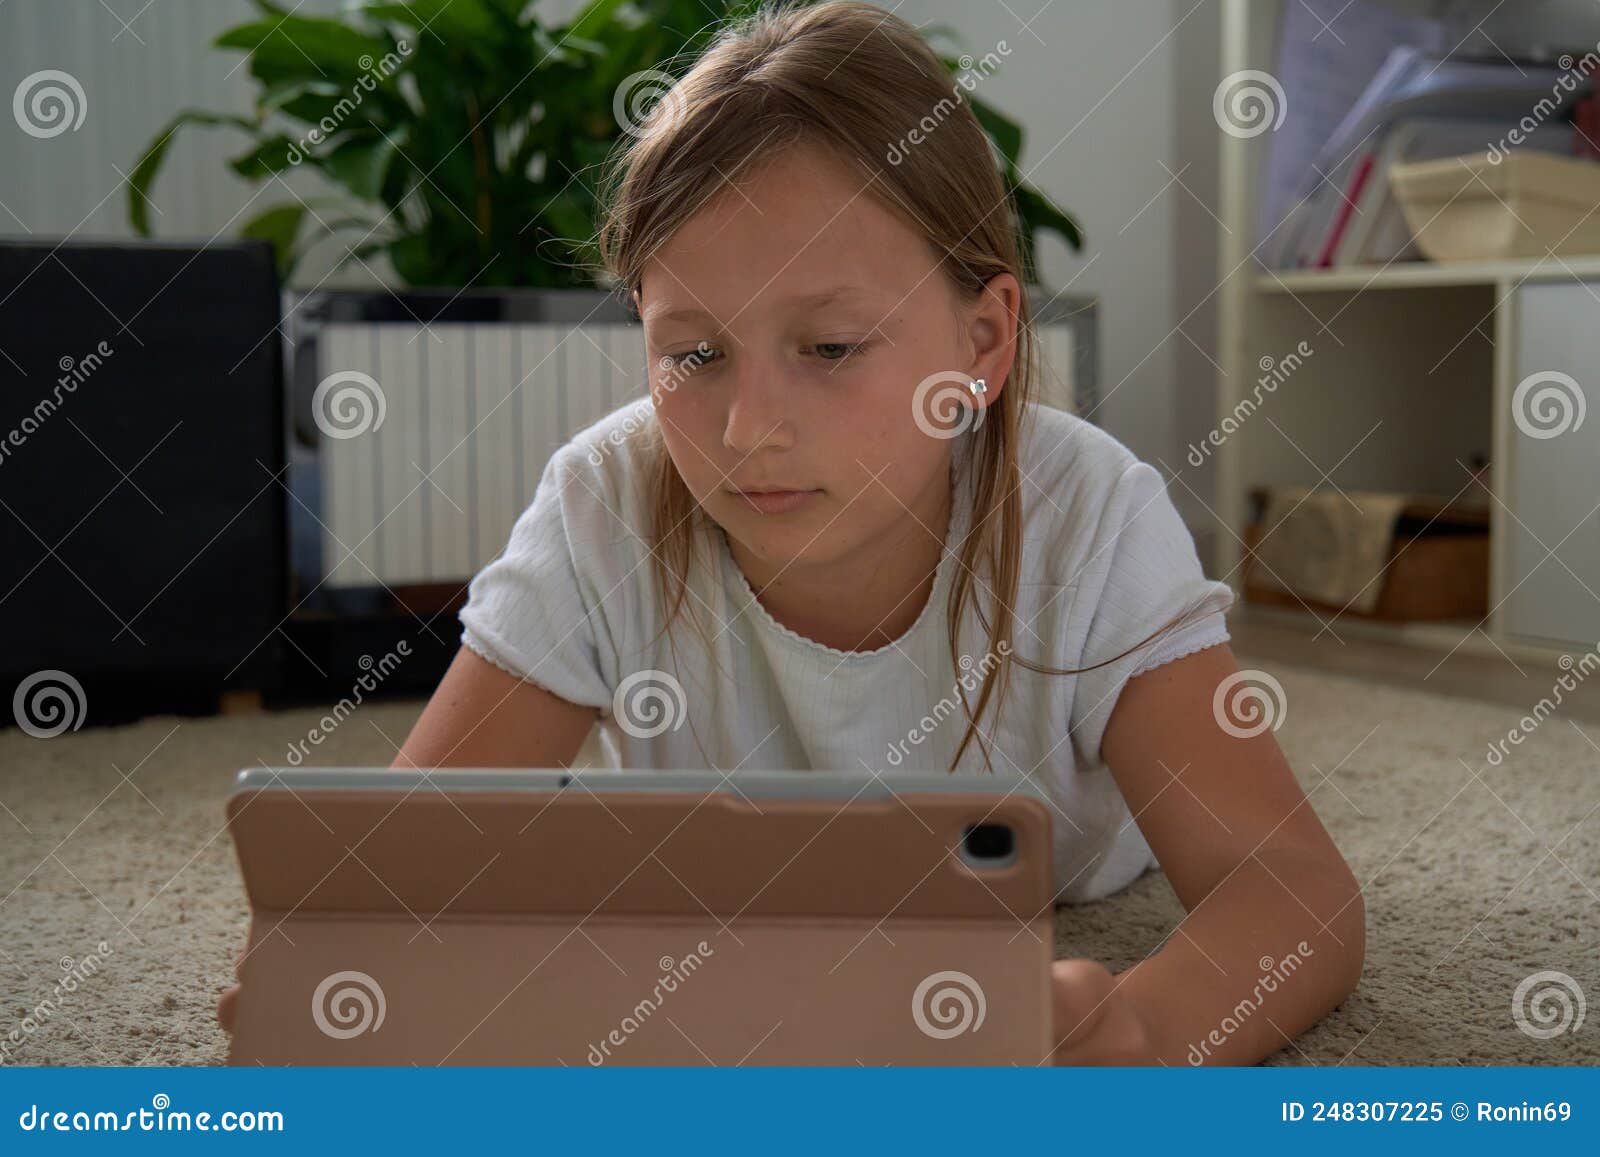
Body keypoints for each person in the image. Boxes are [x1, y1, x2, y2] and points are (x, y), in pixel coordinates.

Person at [219, 0, 1363, 1065]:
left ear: (982, 342)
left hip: (1071, 882)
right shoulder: (604, 500)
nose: (748, 428)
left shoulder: (1089, 513)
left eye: (827, 348)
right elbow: (401, 864)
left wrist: (1130, 1030)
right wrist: (345, 965)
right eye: (693, 354)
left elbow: (1292, 890)